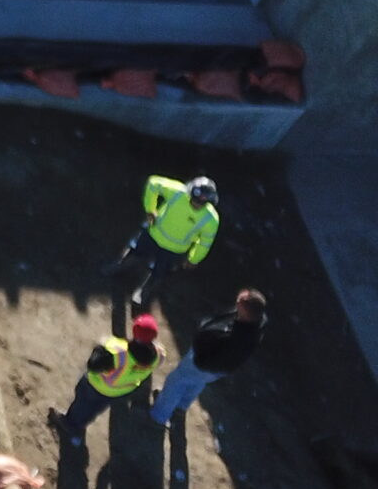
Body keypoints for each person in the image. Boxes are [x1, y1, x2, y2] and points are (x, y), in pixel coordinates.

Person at [155, 289, 269, 426]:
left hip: (203, 363)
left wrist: (199, 360)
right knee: (195, 383)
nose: (236, 303)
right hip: (216, 369)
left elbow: (219, 353)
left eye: (239, 303)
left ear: (245, 312)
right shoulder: (257, 322)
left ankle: (159, 415)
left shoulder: (236, 337)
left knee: (175, 381)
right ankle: (180, 406)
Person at [110, 173, 220, 311]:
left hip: (174, 250)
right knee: (135, 252)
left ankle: (143, 292)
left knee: (159, 272)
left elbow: (205, 242)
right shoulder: (178, 192)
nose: (196, 204)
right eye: (195, 199)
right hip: (153, 234)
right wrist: (150, 209)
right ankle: (120, 267)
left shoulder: (211, 220)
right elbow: (153, 183)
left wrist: (194, 259)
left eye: (201, 202)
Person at [50, 314, 161, 445]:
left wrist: (101, 346)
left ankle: (70, 423)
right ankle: (83, 423)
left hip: (96, 386)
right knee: (95, 409)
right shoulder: (159, 354)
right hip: (118, 392)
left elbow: (93, 365)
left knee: (82, 404)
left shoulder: (118, 352)